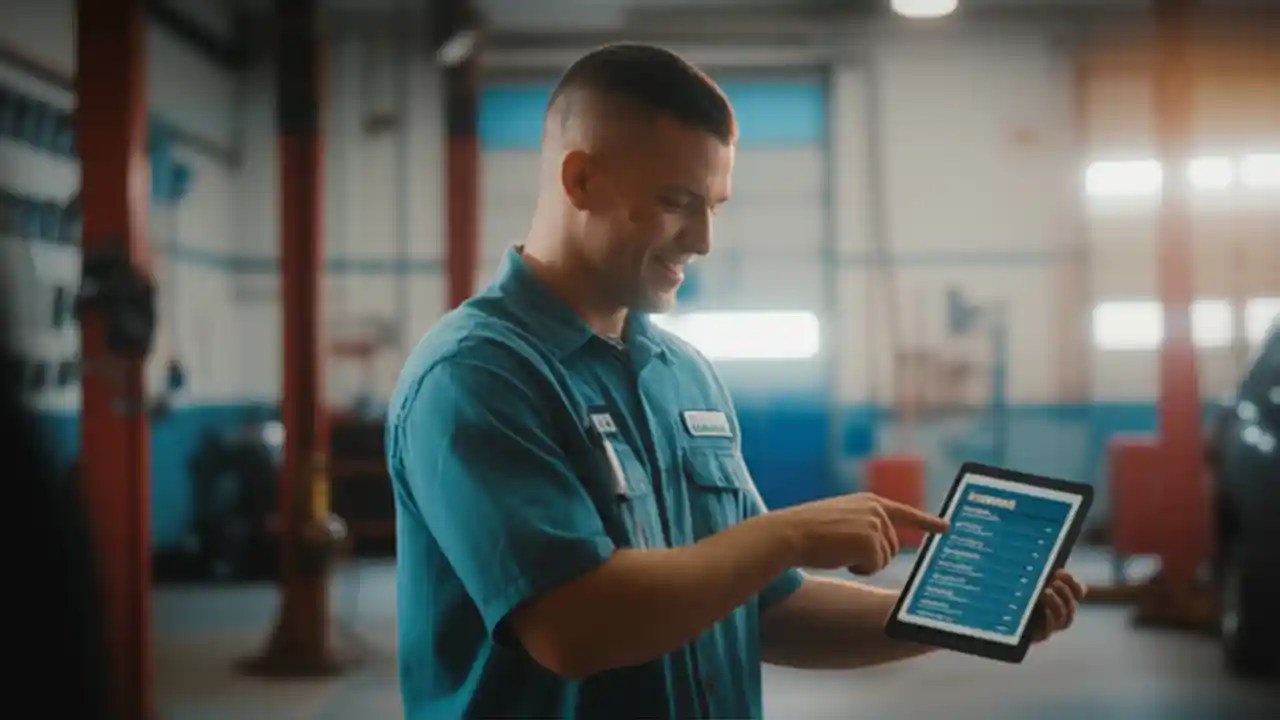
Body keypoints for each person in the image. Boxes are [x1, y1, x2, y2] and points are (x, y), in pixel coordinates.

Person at [385, 42, 1086, 719]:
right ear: (581, 181)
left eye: (713, 206)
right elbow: (575, 628)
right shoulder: (477, 376)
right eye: (675, 201)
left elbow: (763, 608)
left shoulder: (681, 375)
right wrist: (785, 536)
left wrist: (955, 614)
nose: (702, 239)